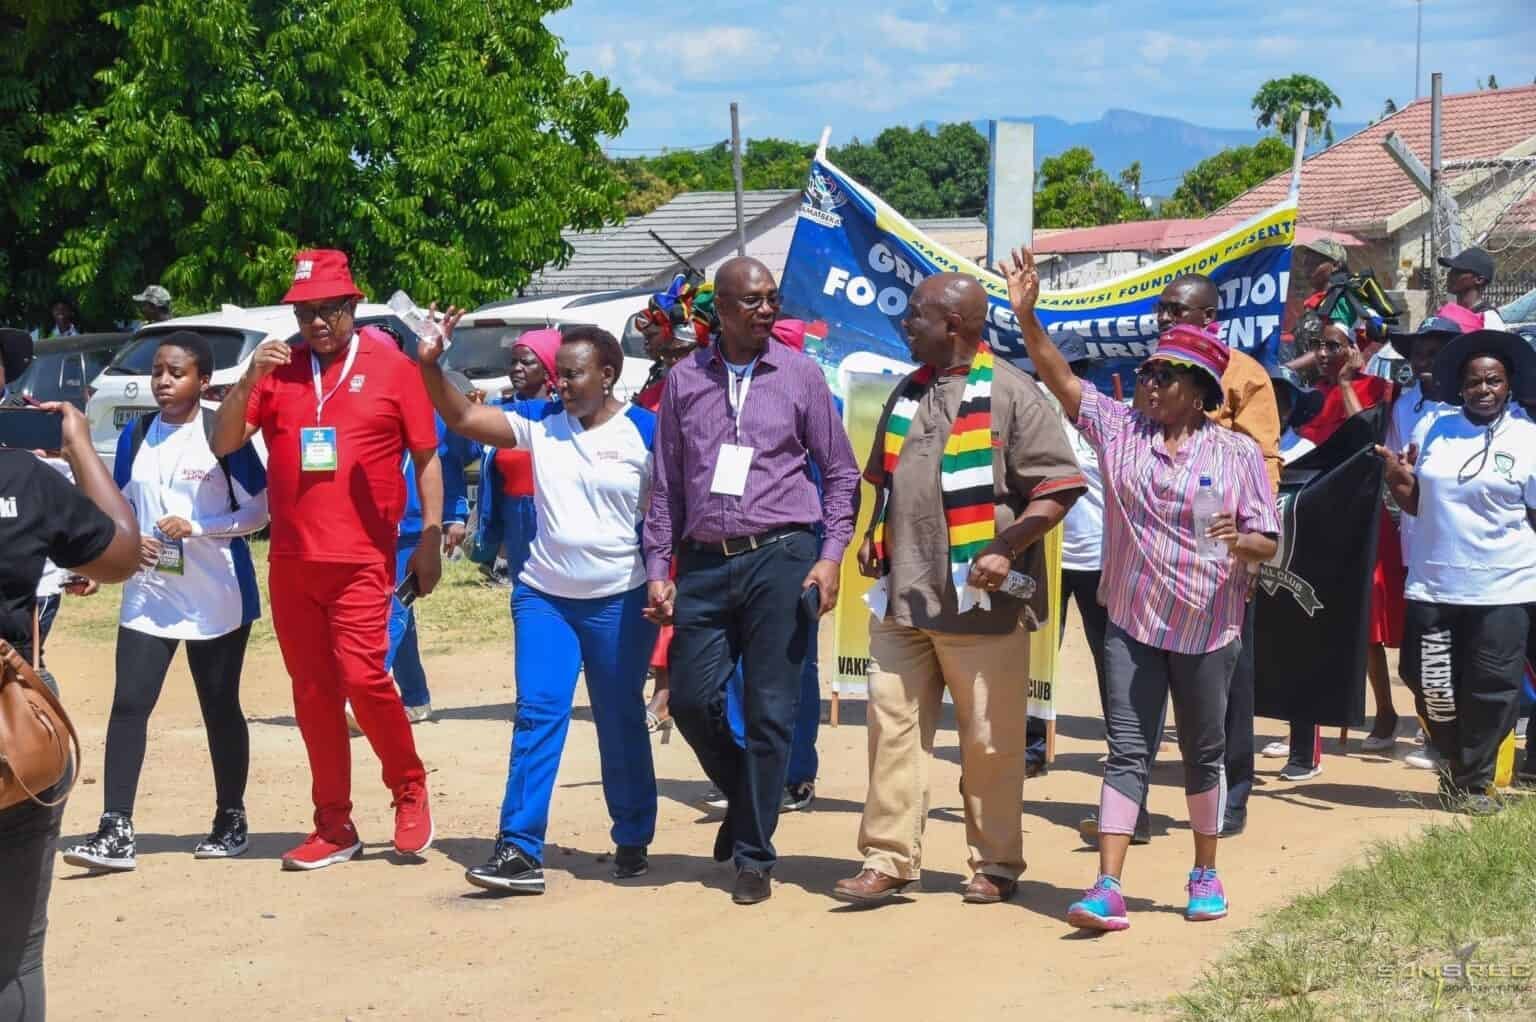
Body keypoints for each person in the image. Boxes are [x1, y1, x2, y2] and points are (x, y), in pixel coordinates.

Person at [1002, 248, 1279, 931]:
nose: (1149, 384)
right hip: (1132, 621)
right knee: (1128, 751)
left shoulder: (1237, 454)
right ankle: (1107, 886)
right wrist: (1028, 317)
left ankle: (1204, 872)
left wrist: (1239, 540)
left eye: (1164, 376)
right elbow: (1060, 376)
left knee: (1203, 753)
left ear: (1198, 390)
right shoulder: (1121, 432)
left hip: (1209, 626)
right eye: (1149, 372)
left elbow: (1267, 542)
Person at [830, 273, 1083, 907]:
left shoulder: (1013, 393)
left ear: (953, 325)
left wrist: (1005, 547)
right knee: (891, 729)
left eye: (916, 315)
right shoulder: (908, 390)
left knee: (990, 741)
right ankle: (889, 858)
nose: (905, 323)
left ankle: (995, 862)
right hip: (904, 596)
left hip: (980, 606)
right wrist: (873, 532)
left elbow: (1057, 488)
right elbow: (888, 480)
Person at [211, 248, 441, 870]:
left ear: (352, 306)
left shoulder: (392, 367)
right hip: (292, 561)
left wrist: (431, 538)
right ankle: (334, 825)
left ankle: (408, 787)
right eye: (304, 312)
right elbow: (224, 441)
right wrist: (249, 378)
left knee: (365, 679)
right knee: (313, 694)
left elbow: (426, 456)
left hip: (362, 558)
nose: (315, 322)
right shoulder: (279, 370)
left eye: (328, 310)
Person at [642, 256, 859, 906]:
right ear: (723, 311)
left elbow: (840, 473)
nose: (767, 309)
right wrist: (658, 568)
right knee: (689, 699)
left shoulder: (800, 374)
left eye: (772, 298)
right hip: (705, 561)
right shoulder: (685, 380)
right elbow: (666, 486)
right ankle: (746, 796)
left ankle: (754, 856)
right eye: (753, 300)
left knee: (769, 710)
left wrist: (830, 555)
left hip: (782, 556)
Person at [419, 318, 660, 895]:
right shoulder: (538, 422)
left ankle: (632, 835)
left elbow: (673, 511)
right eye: (559, 376)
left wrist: (667, 580)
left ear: (608, 375)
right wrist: (430, 364)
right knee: (537, 713)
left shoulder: (646, 431)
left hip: (620, 599)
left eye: (574, 375)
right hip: (545, 597)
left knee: (619, 718)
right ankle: (519, 849)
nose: (562, 385)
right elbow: (463, 418)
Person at [1082, 272, 1281, 842]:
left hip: (1219, 562)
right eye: (1162, 310)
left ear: (1208, 317)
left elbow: (1263, 459)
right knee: (1133, 715)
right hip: (1146, 573)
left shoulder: (1245, 375)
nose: (1166, 318)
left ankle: (1230, 800)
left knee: (1221, 701)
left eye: (1178, 310)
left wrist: (1245, 545)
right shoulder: (1148, 386)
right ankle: (1131, 813)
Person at [61, 332, 269, 873]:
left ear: (203, 380)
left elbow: (259, 512)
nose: (163, 381)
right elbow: (121, 508)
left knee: (219, 706)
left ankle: (230, 818)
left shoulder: (222, 431)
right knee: (129, 703)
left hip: (216, 593)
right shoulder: (137, 433)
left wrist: (198, 527)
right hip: (150, 591)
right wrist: (111, 557)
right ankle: (116, 828)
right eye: (157, 371)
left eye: (176, 373)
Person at [1, 391, 140, 1021]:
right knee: (15, 955)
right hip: (10, 730)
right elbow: (122, 554)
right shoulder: (23, 478)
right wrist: (79, 445)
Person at [1380, 328, 1536, 814]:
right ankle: (1455, 758)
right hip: (1434, 583)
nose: (1483, 389)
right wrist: (1398, 481)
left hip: (1504, 587)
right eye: (1474, 382)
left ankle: (1472, 782)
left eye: (1493, 380)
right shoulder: (1434, 428)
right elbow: (1418, 504)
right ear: (1460, 386)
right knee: (1427, 679)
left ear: (1508, 384)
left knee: (1493, 688)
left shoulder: (1529, 437)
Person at [1262, 321, 1404, 778]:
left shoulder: (1376, 387)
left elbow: (1367, 441)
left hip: (1359, 512)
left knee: (1366, 623)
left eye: (1334, 346)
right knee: (1310, 619)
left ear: (1354, 348)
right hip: (1313, 515)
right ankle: (1305, 725)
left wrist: (1346, 384)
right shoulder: (1310, 397)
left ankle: (1386, 711)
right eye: (1318, 345)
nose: (1324, 353)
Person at [1380, 318, 1461, 765]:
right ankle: (1437, 734)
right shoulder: (1403, 408)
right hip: (1417, 551)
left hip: (1465, 552)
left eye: (1436, 353)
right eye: (1418, 354)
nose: (1425, 362)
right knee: (1418, 661)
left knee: (1459, 656)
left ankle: (1458, 746)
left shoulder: (1473, 408)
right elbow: (1396, 470)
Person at [381, 362, 479, 724]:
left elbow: (458, 461)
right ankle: (416, 698)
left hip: (416, 527)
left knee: (395, 605)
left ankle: (364, 690)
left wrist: (455, 515)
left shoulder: (436, 409)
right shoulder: (371, 406)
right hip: (373, 527)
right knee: (397, 608)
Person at [474, 329, 558, 591]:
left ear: (548, 368)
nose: (516, 368)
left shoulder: (565, 413)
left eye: (526, 362)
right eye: (513, 362)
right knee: (524, 588)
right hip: (514, 513)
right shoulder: (499, 412)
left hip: (554, 509)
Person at [1435, 247, 1506, 334]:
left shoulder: (1489, 319)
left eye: (1458, 271)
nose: (1449, 275)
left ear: (1479, 280)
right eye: (1451, 270)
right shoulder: (1448, 314)